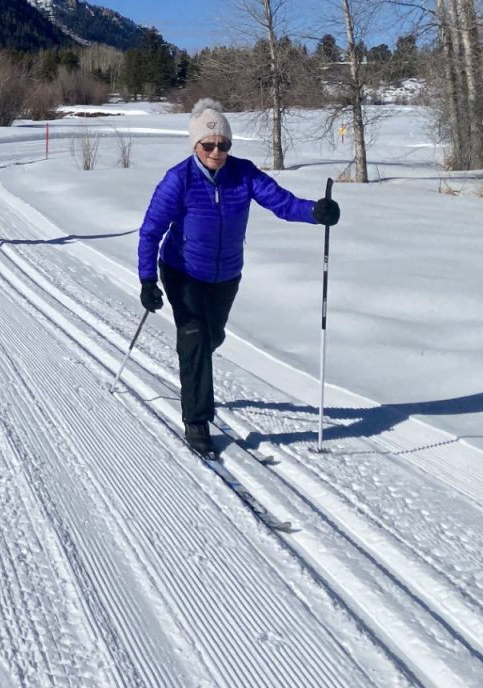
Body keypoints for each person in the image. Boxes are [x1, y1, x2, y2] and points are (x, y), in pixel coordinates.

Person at [137, 98, 340, 457]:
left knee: (211, 337)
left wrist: (315, 212)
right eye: (209, 145)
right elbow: (151, 231)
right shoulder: (178, 180)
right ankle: (197, 421)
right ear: (196, 145)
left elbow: (281, 202)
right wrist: (147, 279)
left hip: (226, 275)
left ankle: (194, 357)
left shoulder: (243, 174)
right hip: (183, 271)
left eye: (224, 144)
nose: (217, 151)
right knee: (195, 338)